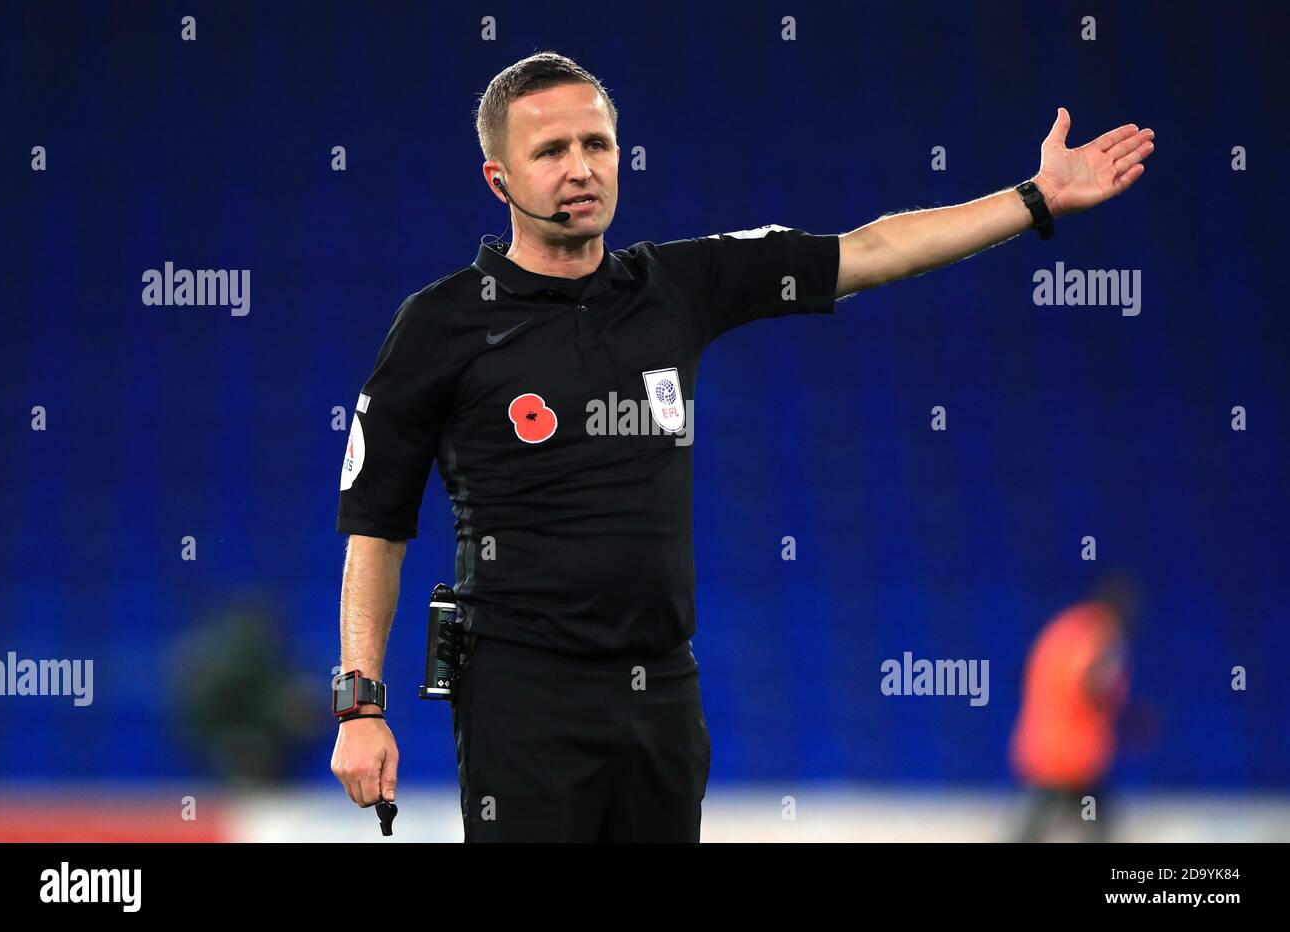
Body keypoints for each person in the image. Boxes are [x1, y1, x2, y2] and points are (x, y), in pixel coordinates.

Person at [330, 51, 1157, 842]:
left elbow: (870, 250)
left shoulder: (675, 286)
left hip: (661, 690)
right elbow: (376, 527)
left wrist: (1035, 198)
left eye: (597, 144)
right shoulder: (441, 325)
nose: (581, 168)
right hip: (522, 693)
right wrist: (361, 707)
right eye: (551, 151)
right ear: (499, 179)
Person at [1009, 575, 1140, 842]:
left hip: (1051, 747)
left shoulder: (1068, 628)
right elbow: (1092, 683)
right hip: (1070, 755)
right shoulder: (1098, 636)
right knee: (1087, 822)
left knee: (1052, 822)